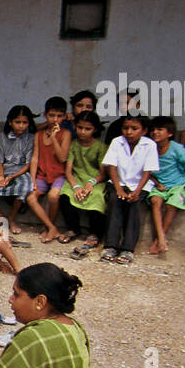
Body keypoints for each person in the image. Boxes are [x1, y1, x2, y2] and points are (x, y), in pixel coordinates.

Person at [99, 113, 158, 264]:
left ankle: (128, 248)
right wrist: (118, 189)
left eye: (134, 128)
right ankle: (110, 245)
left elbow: (147, 171)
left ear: (144, 131)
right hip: (118, 182)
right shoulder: (117, 142)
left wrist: (137, 191)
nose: (129, 132)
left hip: (140, 184)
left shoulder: (150, 145)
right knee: (115, 200)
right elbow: (112, 167)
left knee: (135, 205)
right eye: (125, 128)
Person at [144, 115, 185, 255]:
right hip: (159, 185)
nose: (155, 132)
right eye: (153, 129)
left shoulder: (176, 148)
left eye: (160, 129)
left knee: (172, 204)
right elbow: (146, 171)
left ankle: (159, 239)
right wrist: (157, 183)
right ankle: (161, 237)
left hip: (177, 184)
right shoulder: (149, 148)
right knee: (155, 201)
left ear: (170, 133)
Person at [60, 110, 107, 258]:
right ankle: (73, 228)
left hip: (95, 180)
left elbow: (103, 173)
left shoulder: (100, 146)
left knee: (97, 197)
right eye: (80, 127)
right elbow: (68, 171)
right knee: (65, 195)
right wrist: (75, 186)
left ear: (95, 129)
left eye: (88, 129)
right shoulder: (73, 144)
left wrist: (90, 183)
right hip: (77, 178)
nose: (83, 132)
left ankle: (95, 233)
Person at [26, 101, 70, 242]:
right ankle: (51, 227)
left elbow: (62, 157)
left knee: (53, 196)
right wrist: (32, 179)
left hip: (59, 175)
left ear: (64, 117)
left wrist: (54, 138)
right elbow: (35, 158)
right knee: (31, 198)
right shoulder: (38, 134)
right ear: (45, 115)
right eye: (52, 115)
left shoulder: (66, 133)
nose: (55, 119)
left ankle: (49, 228)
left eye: (59, 116)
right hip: (42, 175)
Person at [0, 105, 35, 233]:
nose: (21, 126)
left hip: (21, 172)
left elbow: (28, 164)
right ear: (10, 122)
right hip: (4, 170)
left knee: (25, 187)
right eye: (17, 122)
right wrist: (1, 176)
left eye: (24, 122)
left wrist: (12, 177)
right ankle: (0, 216)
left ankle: (11, 218)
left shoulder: (31, 138)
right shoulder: (2, 137)